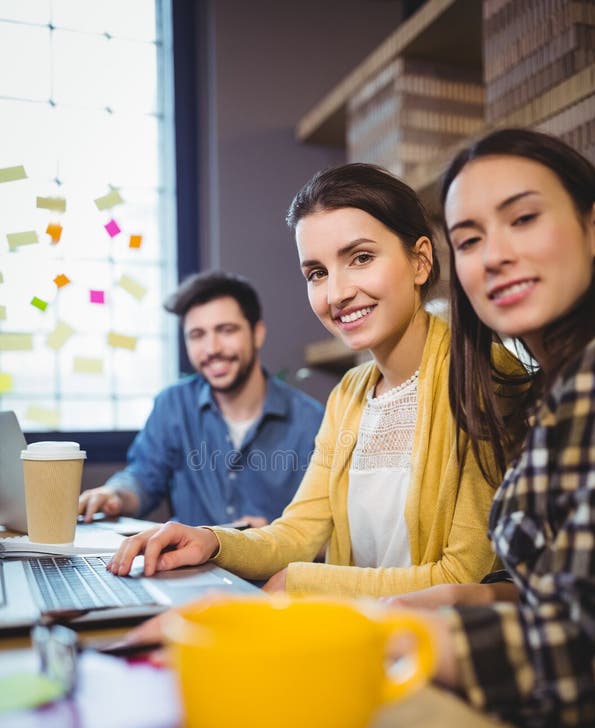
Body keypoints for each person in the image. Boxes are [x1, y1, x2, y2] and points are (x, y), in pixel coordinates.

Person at [108, 163, 507, 598]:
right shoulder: (349, 394)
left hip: (438, 652)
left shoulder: (484, 377)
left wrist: (303, 581)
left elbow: (464, 578)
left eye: (361, 258)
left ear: (421, 260)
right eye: (317, 273)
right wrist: (211, 539)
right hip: (355, 640)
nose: (336, 294)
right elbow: (298, 532)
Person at [385, 128, 595, 728]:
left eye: (524, 219)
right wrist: (475, 599)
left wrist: (378, 635)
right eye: (471, 239)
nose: (494, 256)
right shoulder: (551, 388)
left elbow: (582, 648)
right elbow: (563, 587)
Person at [78, 270, 324, 527]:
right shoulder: (173, 405)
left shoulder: (310, 420)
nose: (212, 349)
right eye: (197, 335)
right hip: (190, 567)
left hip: (274, 566)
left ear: (257, 333)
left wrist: (274, 537)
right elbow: (143, 478)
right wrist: (114, 495)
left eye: (226, 330)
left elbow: (327, 527)